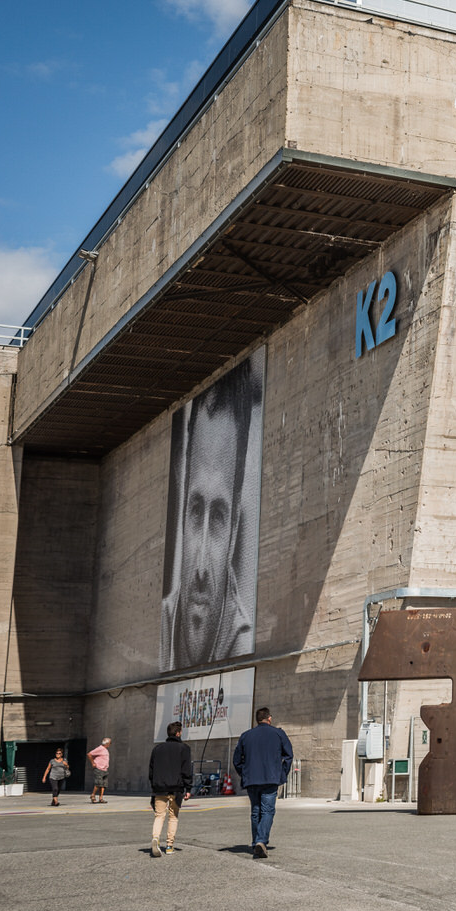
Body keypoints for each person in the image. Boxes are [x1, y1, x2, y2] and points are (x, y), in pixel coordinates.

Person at [162, 357, 260, 672]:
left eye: (218, 518)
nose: (202, 570)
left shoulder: (244, 647)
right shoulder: (163, 624)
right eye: (195, 510)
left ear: (233, 530)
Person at [233, 706, 292, 859]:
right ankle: (261, 841)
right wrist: (282, 773)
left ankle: (256, 843)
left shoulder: (246, 736)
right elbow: (289, 756)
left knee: (255, 810)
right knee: (267, 811)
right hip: (271, 778)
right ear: (269, 718)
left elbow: (237, 760)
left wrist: (245, 774)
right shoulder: (278, 733)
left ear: (257, 719)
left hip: (252, 779)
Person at [149, 722, 194, 856]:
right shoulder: (184, 748)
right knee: (173, 817)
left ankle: (155, 838)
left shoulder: (157, 749)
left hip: (159, 787)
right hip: (176, 787)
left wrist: (154, 784)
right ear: (178, 733)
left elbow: (151, 770)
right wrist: (188, 788)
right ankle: (169, 846)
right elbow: (186, 770)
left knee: (159, 816)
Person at [87, 737, 112, 803]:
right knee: (98, 783)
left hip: (105, 769)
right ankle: (93, 795)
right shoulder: (100, 748)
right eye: (109, 743)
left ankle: (101, 798)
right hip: (99, 768)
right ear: (107, 743)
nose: (110, 744)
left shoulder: (105, 749)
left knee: (103, 785)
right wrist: (93, 763)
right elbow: (89, 754)